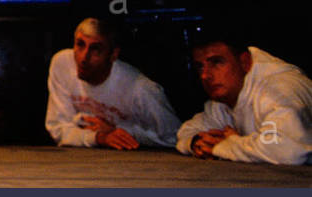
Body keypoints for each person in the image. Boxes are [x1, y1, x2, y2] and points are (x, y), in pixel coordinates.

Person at [177, 30, 312, 165]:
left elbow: (287, 150)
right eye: (200, 67)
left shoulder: (279, 90)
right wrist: (198, 142)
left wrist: (226, 145)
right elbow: (187, 130)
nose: (205, 75)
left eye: (217, 62)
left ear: (245, 62)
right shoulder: (225, 97)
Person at [45, 17, 179, 149]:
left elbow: (174, 137)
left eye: (95, 49)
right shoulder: (62, 64)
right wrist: (99, 137)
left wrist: (122, 131)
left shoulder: (142, 89)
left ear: (113, 55)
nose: (83, 57)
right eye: (80, 44)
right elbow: (58, 128)